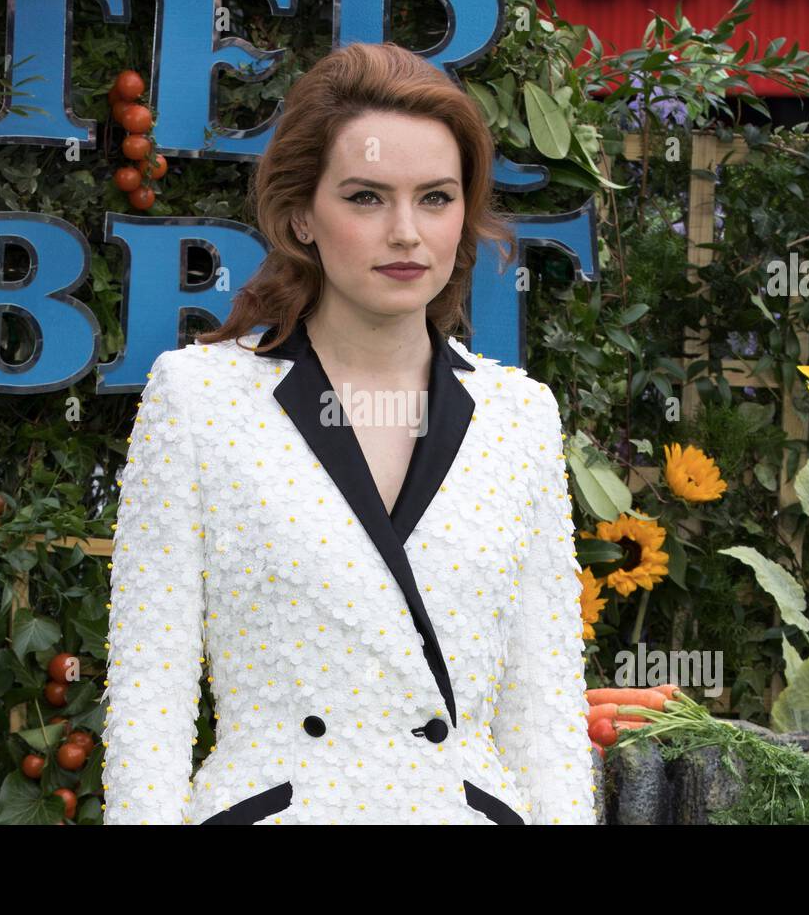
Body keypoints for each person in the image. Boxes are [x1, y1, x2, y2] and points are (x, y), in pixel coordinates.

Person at [101, 41, 598, 825]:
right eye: (367, 197)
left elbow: (546, 709)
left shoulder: (519, 416)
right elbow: (148, 697)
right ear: (302, 212)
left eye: (436, 198)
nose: (406, 232)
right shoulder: (200, 398)